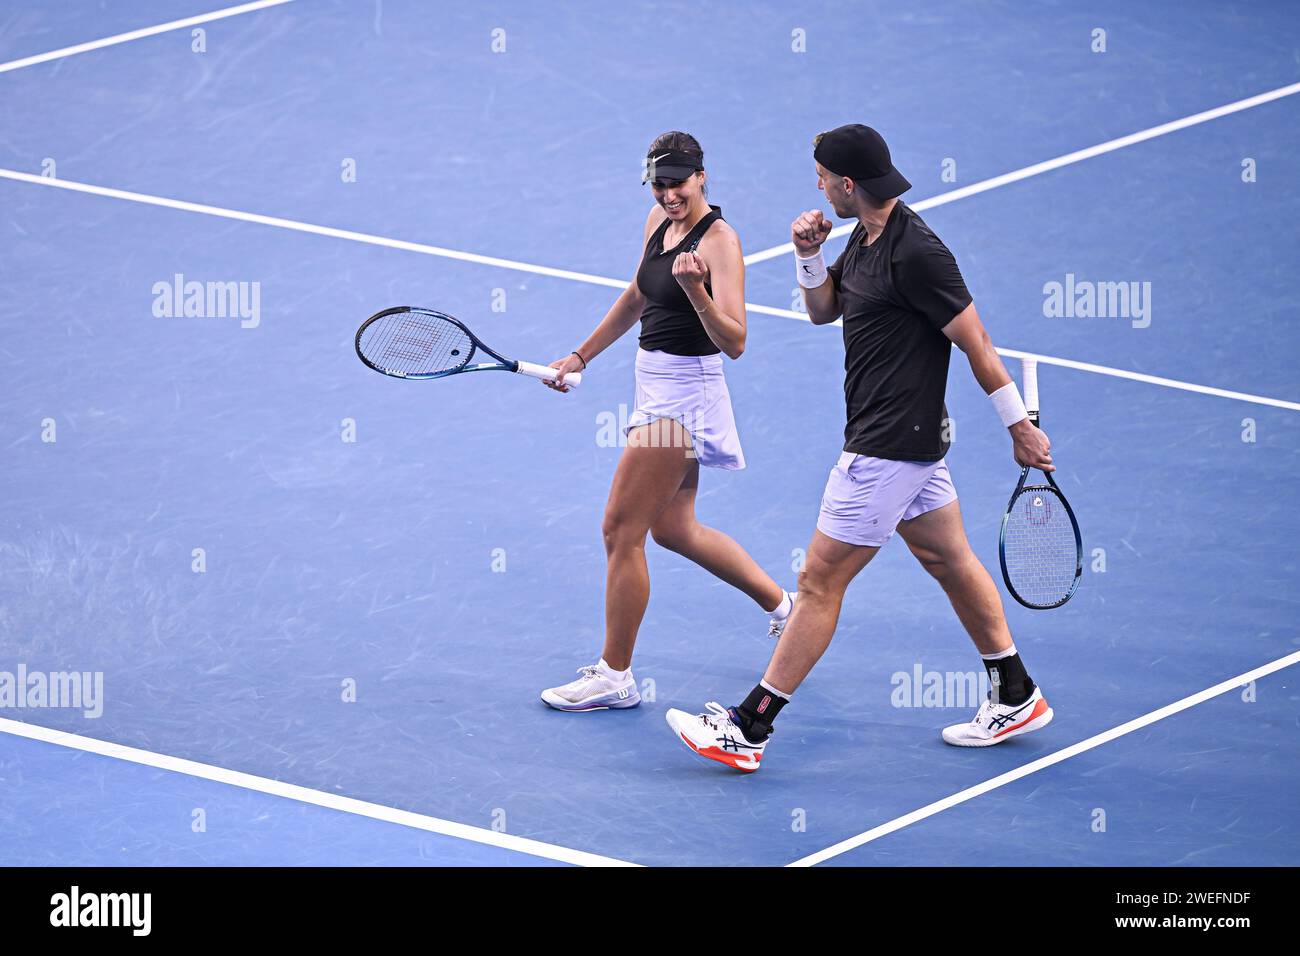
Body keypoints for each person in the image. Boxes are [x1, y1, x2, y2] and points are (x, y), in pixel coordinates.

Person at [666, 124, 1055, 770]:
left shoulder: (918, 252)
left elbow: (977, 342)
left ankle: (749, 730)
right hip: (910, 442)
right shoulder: (867, 239)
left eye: (821, 176)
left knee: (818, 582)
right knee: (949, 559)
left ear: (848, 184)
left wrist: (1019, 426)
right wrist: (807, 253)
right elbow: (824, 311)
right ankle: (1015, 692)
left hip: (887, 446)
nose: (816, 186)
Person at [539, 131, 795, 713]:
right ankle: (786, 607)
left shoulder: (722, 243)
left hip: (682, 396)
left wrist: (697, 291)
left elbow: (736, 342)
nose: (669, 193)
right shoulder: (659, 219)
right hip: (651, 382)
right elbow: (637, 294)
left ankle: (615, 675)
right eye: (659, 183)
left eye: (678, 182)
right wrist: (581, 355)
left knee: (619, 531)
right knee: (673, 528)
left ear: (702, 176)